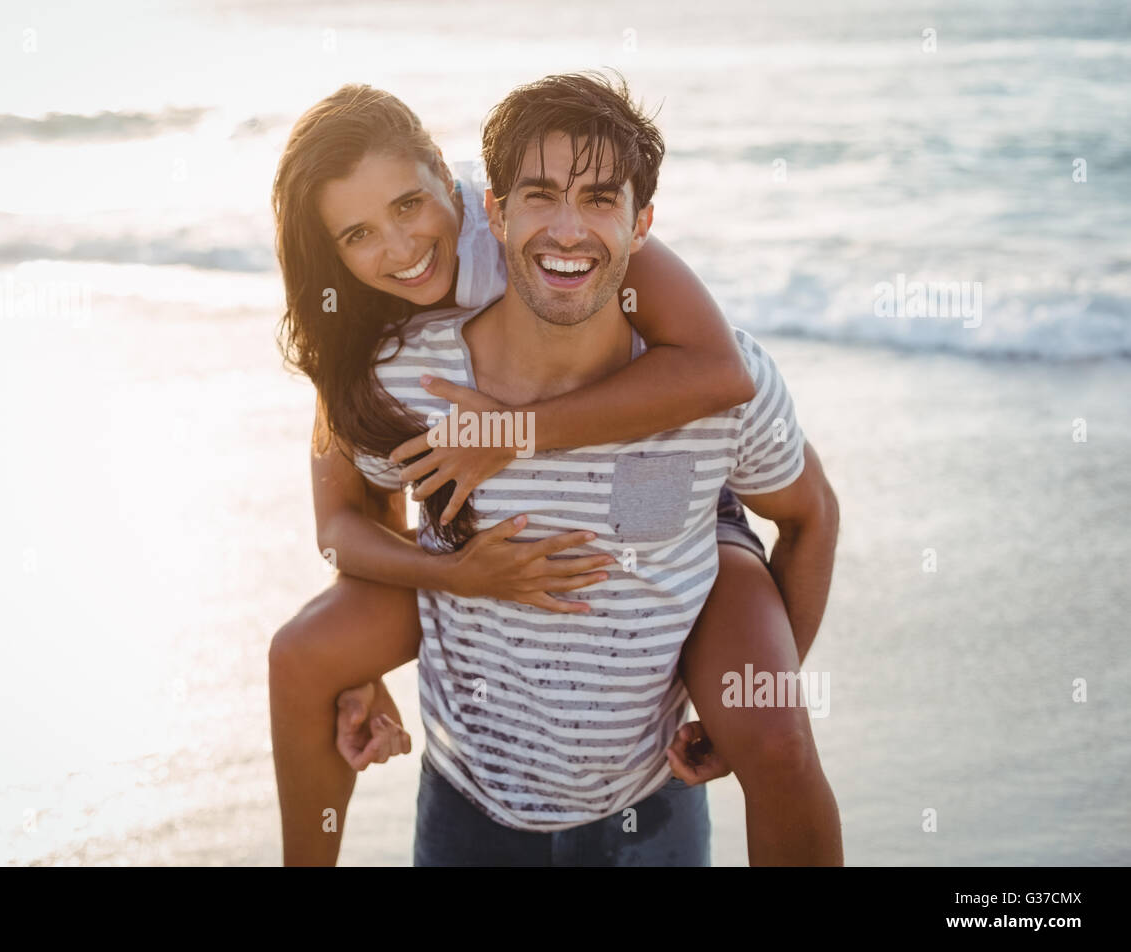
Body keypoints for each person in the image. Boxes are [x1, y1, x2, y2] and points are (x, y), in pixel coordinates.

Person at [269, 72, 842, 865]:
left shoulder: (546, 243)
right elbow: (350, 521)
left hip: (674, 514)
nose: (399, 248)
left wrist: (516, 432)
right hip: (471, 767)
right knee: (303, 653)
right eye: (358, 234)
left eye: (408, 207)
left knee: (774, 729)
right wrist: (372, 657)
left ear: (454, 185)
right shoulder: (386, 364)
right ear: (502, 210)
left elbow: (719, 375)